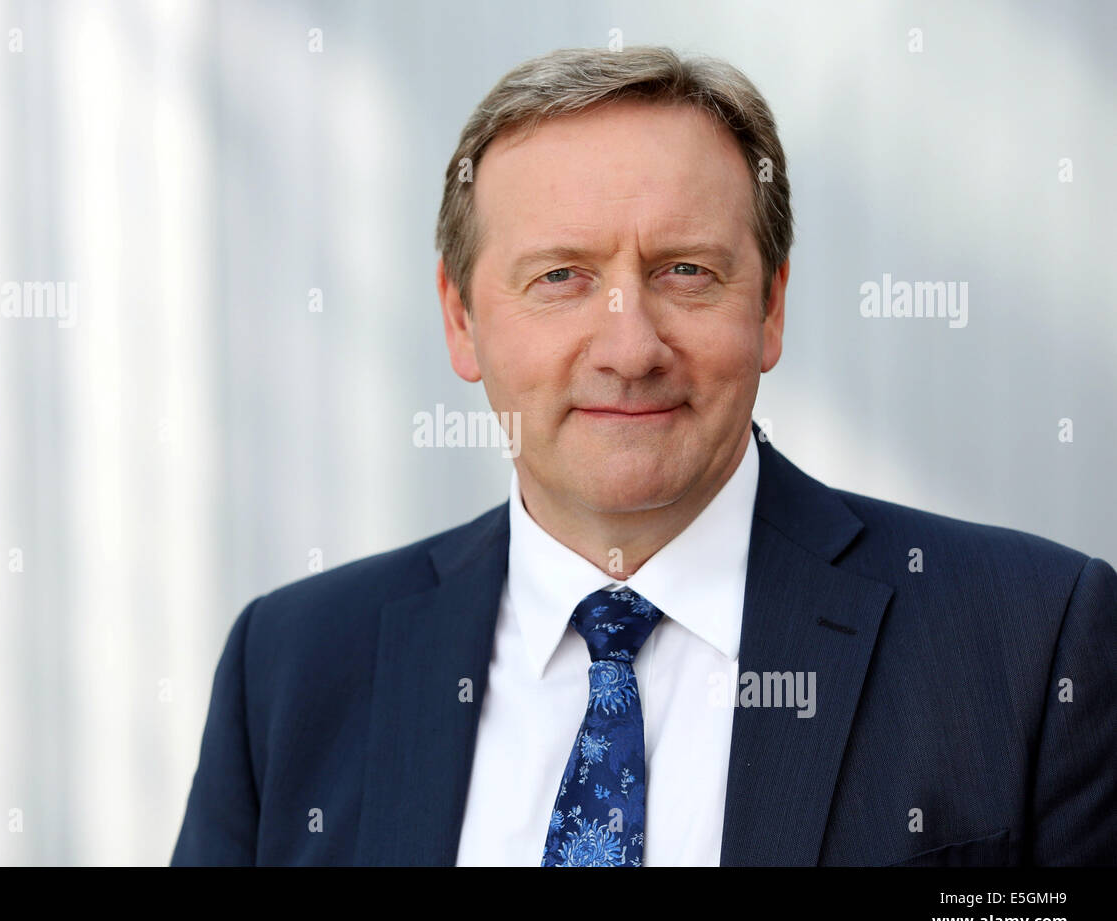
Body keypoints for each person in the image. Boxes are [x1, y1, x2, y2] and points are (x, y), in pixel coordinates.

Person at [171, 46, 1116, 866]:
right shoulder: (292, 667)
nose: (630, 348)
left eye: (686, 273)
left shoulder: (1028, 643)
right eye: (559, 278)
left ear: (771, 307)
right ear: (461, 320)